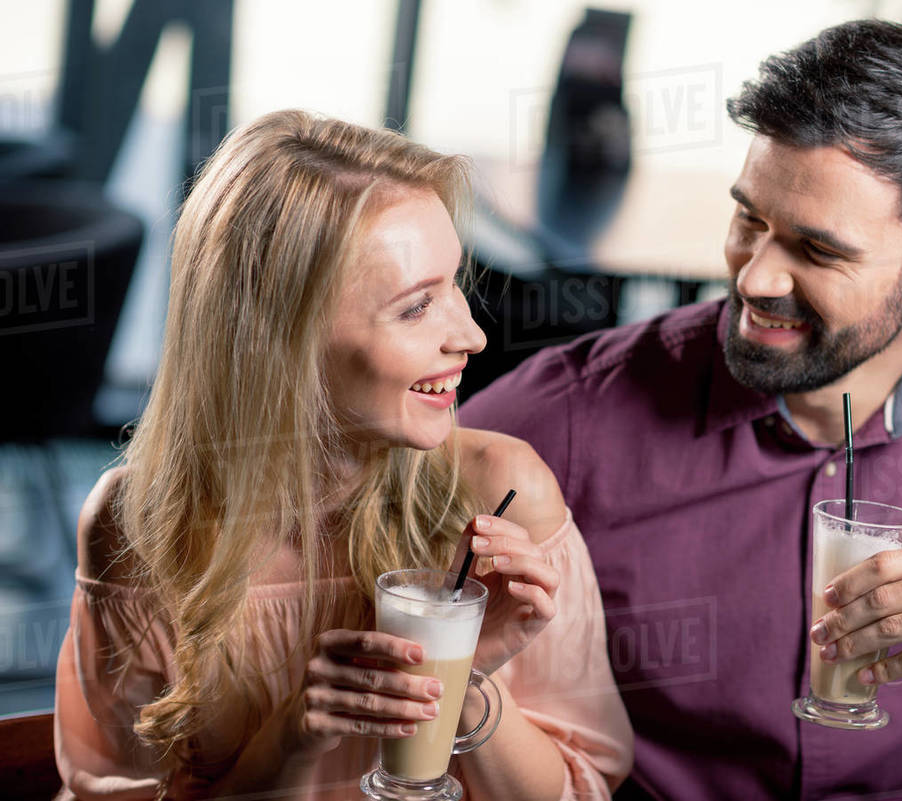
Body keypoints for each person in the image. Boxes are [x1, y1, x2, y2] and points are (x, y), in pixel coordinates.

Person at [460, 19, 902, 801]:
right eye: (750, 220)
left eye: (818, 250)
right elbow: (359, 539)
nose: (755, 278)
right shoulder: (576, 408)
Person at [53, 109, 633, 801]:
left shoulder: (504, 492)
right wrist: (289, 740)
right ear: (279, 339)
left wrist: (461, 685)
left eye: (455, 283)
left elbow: (583, 788)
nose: (472, 335)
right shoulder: (137, 527)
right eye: (416, 307)